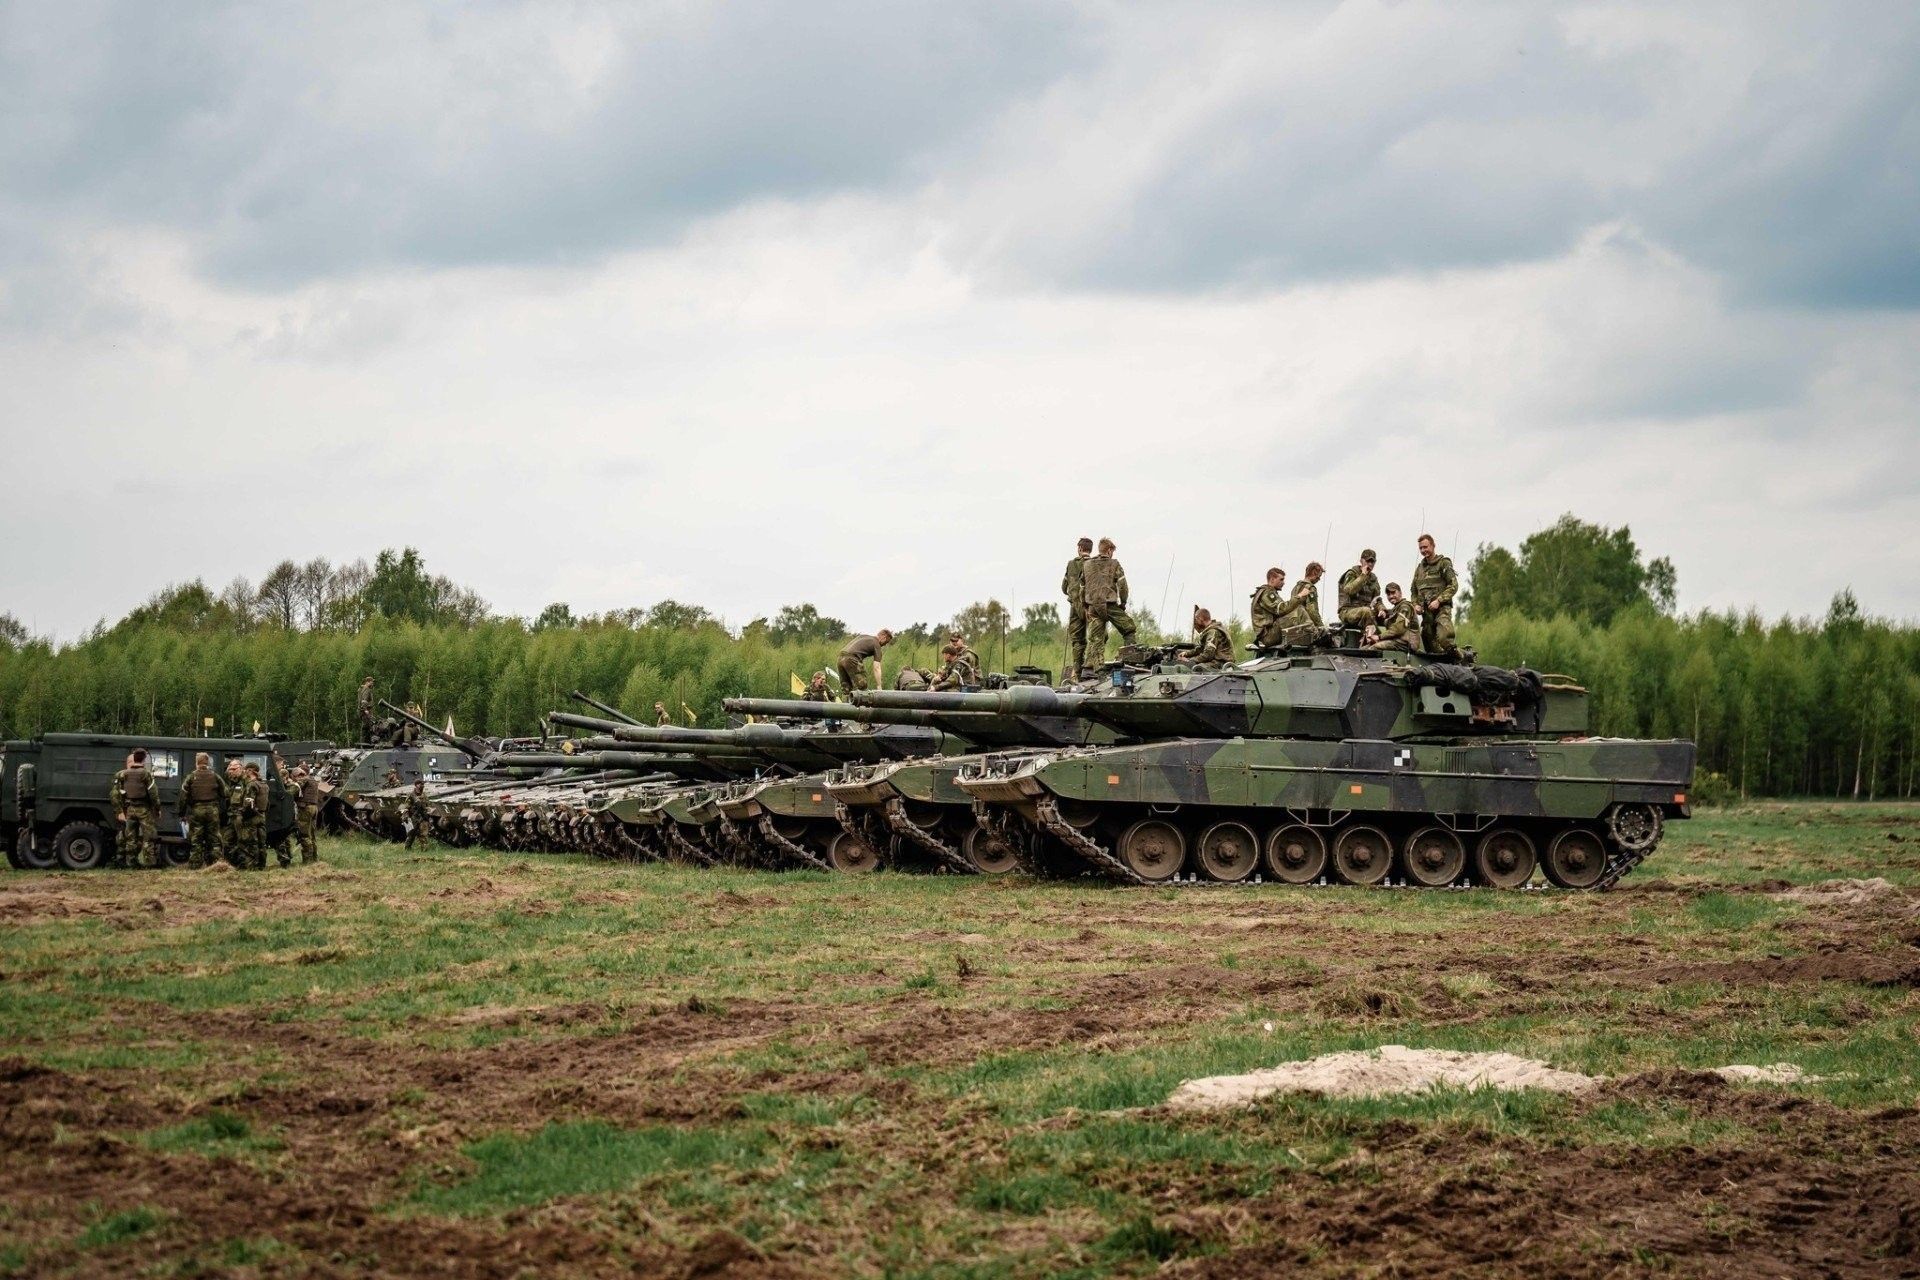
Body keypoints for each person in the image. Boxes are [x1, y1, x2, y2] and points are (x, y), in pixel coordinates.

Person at [1080, 538, 1136, 673]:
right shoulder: (1114, 564)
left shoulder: (1087, 565)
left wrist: (1085, 606)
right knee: (1129, 628)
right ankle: (1131, 659)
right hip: (1109, 604)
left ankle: (1096, 668)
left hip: (1093, 606)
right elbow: (1123, 586)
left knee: (1096, 638)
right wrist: (1123, 603)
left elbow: (1082, 587)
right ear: (1109, 550)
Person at [110, 749, 159, 870]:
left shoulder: (124, 775)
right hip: (129, 809)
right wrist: (119, 811)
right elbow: (114, 794)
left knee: (130, 837)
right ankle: (124, 862)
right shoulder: (124, 775)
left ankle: (129, 863)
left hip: (130, 809)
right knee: (126, 837)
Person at [1410, 533, 1459, 655]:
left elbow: (1453, 585)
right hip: (1427, 613)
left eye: (1425, 547)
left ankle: (1461, 656)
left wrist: (1439, 600)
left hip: (1441, 610)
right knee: (1429, 645)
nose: (1423, 550)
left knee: (1444, 638)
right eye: (1421, 548)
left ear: (1433, 546)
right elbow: (1414, 590)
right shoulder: (1420, 568)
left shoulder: (1443, 563)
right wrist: (1415, 604)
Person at [178, 752, 226, 870]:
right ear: (208, 762)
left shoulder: (191, 777)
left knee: (196, 838)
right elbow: (226, 792)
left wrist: (182, 813)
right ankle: (216, 864)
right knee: (214, 838)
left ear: (197, 763)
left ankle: (195, 865)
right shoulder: (215, 776)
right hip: (212, 810)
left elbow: (183, 797)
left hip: (196, 810)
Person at [1250, 568, 1306, 647]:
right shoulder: (1267, 593)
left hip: (1269, 633)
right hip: (1268, 636)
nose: (1283, 583)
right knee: (1299, 611)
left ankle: (1312, 633)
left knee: (1298, 611)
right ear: (1272, 579)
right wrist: (1300, 596)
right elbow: (1282, 609)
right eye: (1281, 580)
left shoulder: (1268, 592)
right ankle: (1316, 634)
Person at [1062, 537, 1093, 678]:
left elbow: (1064, 587)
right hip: (1091, 606)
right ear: (1090, 549)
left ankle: (1077, 672)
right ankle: (1091, 666)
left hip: (1075, 607)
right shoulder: (1095, 564)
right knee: (1096, 637)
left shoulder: (1071, 564)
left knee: (1077, 640)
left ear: (1080, 548)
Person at [1365, 583, 1419, 652]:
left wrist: (1379, 637)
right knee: (1364, 649)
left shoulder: (1405, 607)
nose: (1391, 596)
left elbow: (1398, 629)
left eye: (1393, 593)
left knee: (1373, 648)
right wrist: (1381, 610)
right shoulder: (1396, 608)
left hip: (1406, 644)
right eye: (1388, 594)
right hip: (1397, 641)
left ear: (1400, 593)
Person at [837, 630, 893, 694]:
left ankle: (845, 703)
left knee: (846, 688)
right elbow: (876, 667)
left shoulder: (864, 636)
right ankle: (862, 703)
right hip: (851, 659)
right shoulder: (876, 644)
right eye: (886, 642)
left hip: (840, 657)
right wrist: (879, 686)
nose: (885, 645)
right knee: (862, 686)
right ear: (884, 637)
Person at [1337, 550, 1382, 630]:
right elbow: (1349, 590)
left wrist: (1381, 609)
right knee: (1366, 611)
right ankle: (1374, 638)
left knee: (1391, 614)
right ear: (1361, 561)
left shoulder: (1373, 578)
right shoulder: (1352, 573)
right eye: (1368, 561)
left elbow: (1377, 599)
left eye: (1373, 561)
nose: (1370, 564)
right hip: (1348, 611)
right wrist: (1363, 576)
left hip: (1366, 611)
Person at [222, 759, 255, 868]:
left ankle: (247, 866)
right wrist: (230, 767)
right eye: (230, 769)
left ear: (241, 769)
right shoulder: (232, 780)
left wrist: (243, 814)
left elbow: (249, 801)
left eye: (234, 769)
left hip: (241, 817)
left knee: (244, 841)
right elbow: (226, 775)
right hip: (232, 816)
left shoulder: (246, 782)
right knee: (226, 841)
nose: (231, 771)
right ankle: (230, 865)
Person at [293, 766, 322, 864]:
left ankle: (307, 860)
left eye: (295, 776)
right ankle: (314, 859)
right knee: (312, 835)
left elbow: (294, 790)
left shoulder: (304, 780)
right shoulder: (313, 780)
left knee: (304, 834)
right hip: (314, 808)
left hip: (306, 809)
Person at [244, 763, 271, 869]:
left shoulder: (252, 785)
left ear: (250, 771)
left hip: (253, 816)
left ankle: (253, 865)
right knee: (262, 842)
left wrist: (245, 814)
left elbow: (249, 802)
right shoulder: (264, 785)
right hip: (262, 815)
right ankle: (262, 864)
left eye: (246, 770)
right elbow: (267, 802)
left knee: (252, 841)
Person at [404, 779, 430, 849]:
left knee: (423, 834)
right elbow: (406, 807)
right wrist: (406, 816)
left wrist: (428, 812)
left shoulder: (424, 795)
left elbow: (428, 805)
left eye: (423, 784)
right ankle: (407, 848)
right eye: (420, 784)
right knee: (411, 834)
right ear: (416, 785)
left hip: (423, 817)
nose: (422, 786)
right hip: (413, 817)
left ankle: (424, 849)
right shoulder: (411, 795)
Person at [358, 676, 376, 742]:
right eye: (371, 682)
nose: (372, 683)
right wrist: (365, 710)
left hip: (363, 711)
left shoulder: (362, 689)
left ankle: (365, 743)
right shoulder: (367, 689)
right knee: (366, 727)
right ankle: (364, 743)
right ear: (368, 682)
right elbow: (364, 701)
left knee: (367, 727)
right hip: (365, 711)